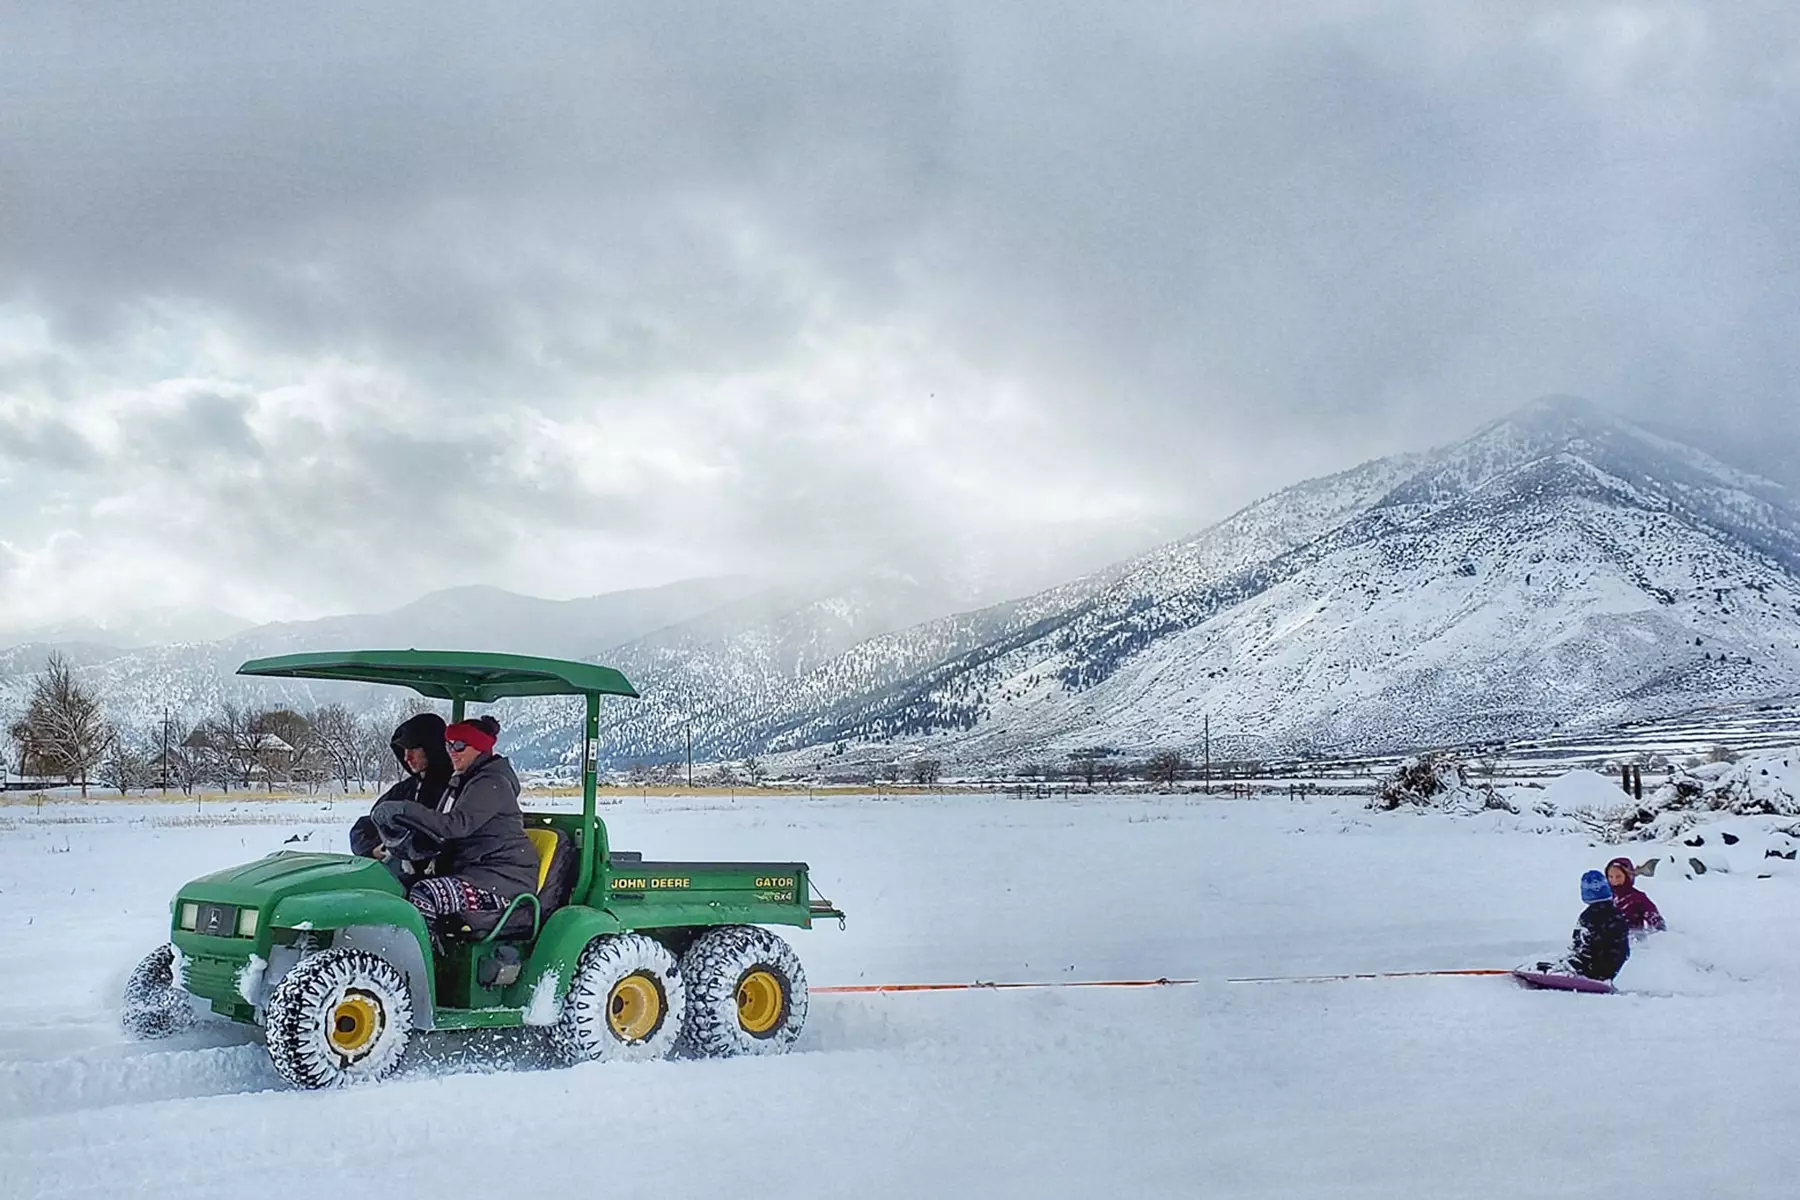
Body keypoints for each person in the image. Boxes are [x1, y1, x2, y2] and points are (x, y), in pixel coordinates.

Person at [369, 715, 539, 921]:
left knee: (426, 894)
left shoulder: (491, 783)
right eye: (448, 745)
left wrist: (406, 809)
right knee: (396, 885)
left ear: (479, 748)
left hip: (502, 878)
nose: (452, 752)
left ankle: (420, 952)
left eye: (459, 746)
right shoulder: (461, 781)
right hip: (474, 871)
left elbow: (456, 825)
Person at [349, 713, 453, 880]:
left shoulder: (456, 790)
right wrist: (372, 850)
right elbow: (367, 825)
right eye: (404, 751)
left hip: (440, 877)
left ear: (432, 748)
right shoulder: (405, 790)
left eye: (413, 749)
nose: (406, 757)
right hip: (404, 874)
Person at [1564, 868, 1631, 982]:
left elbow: (1581, 944)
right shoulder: (1616, 914)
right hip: (1612, 966)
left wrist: (1576, 962)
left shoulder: (1588, 917)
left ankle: (1573, 970)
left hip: (1592, 967)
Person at [1606, 856, 1666, 935]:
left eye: (1618, 876)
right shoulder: (1605, 897)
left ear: (1627, 876)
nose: (1614, 880)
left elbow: (1655, 919)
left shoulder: (1637, 898)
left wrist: (1660, 934)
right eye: (1610, 876)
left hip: (1634, 943)